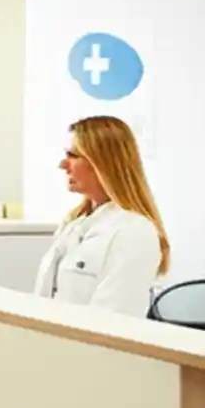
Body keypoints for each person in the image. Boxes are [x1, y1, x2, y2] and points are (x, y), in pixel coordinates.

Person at [33, 115, 170, 316]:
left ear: (103, 163)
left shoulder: (135, 232)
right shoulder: (74, 225)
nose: (63, 165)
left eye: (73, 155)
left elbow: (112, 320)